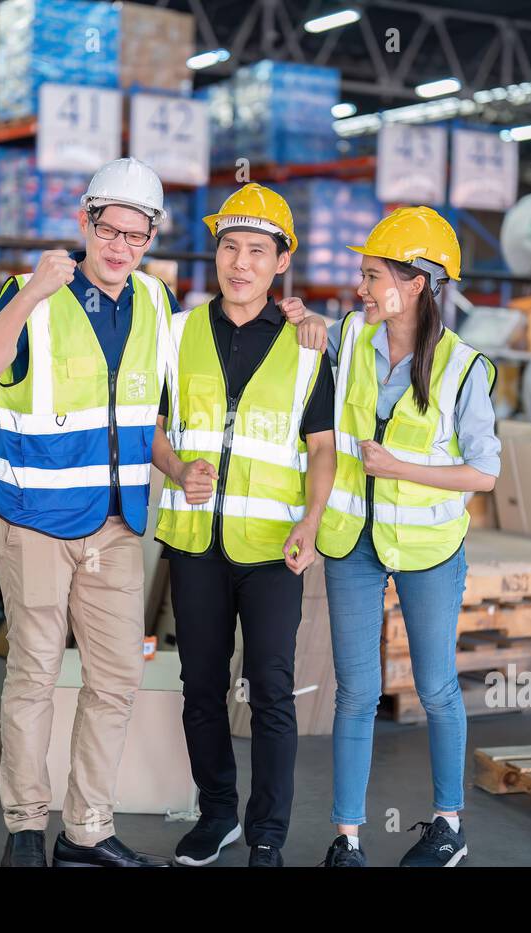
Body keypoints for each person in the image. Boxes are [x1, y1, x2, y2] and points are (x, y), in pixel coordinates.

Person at [0, 157, 181, 868]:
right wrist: (31, 297)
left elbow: (142, 417)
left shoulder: (153, 303)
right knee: (34, 675)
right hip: (35, 523)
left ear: (149, 240)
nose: (119, 247)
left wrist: (179, 468)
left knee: (114, 681)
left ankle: (85, 831)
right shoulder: (31, 292)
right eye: (108, 229)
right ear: (84, 222)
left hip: (116, 525)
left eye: (135, 235)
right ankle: (25, 827)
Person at [294, 207, 500, 868]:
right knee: (356, 692)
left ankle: (448, 827)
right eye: (361, 273)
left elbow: (486, 473)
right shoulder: (352, 334)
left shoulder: (464, 368)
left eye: (372, 274)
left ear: (416, 283)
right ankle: (346, 839)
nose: (360, 287)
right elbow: (314, 353)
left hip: (428, 548)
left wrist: (398, 466)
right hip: (353, 539)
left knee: (438, 688)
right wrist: (302, 324)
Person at [151, 183, 336, 868]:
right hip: (197, 541)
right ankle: (218, 813)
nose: (241, 262)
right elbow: (156, 430)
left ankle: (268, 832)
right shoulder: (177, 333)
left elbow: (324, 448)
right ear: (216, 253)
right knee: (199, 685)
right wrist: (176, 469)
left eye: (258, 250)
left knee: (272, 690)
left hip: (272, 549)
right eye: (231, 246)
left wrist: (311, 523)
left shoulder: (309, 345)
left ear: (280, 262)